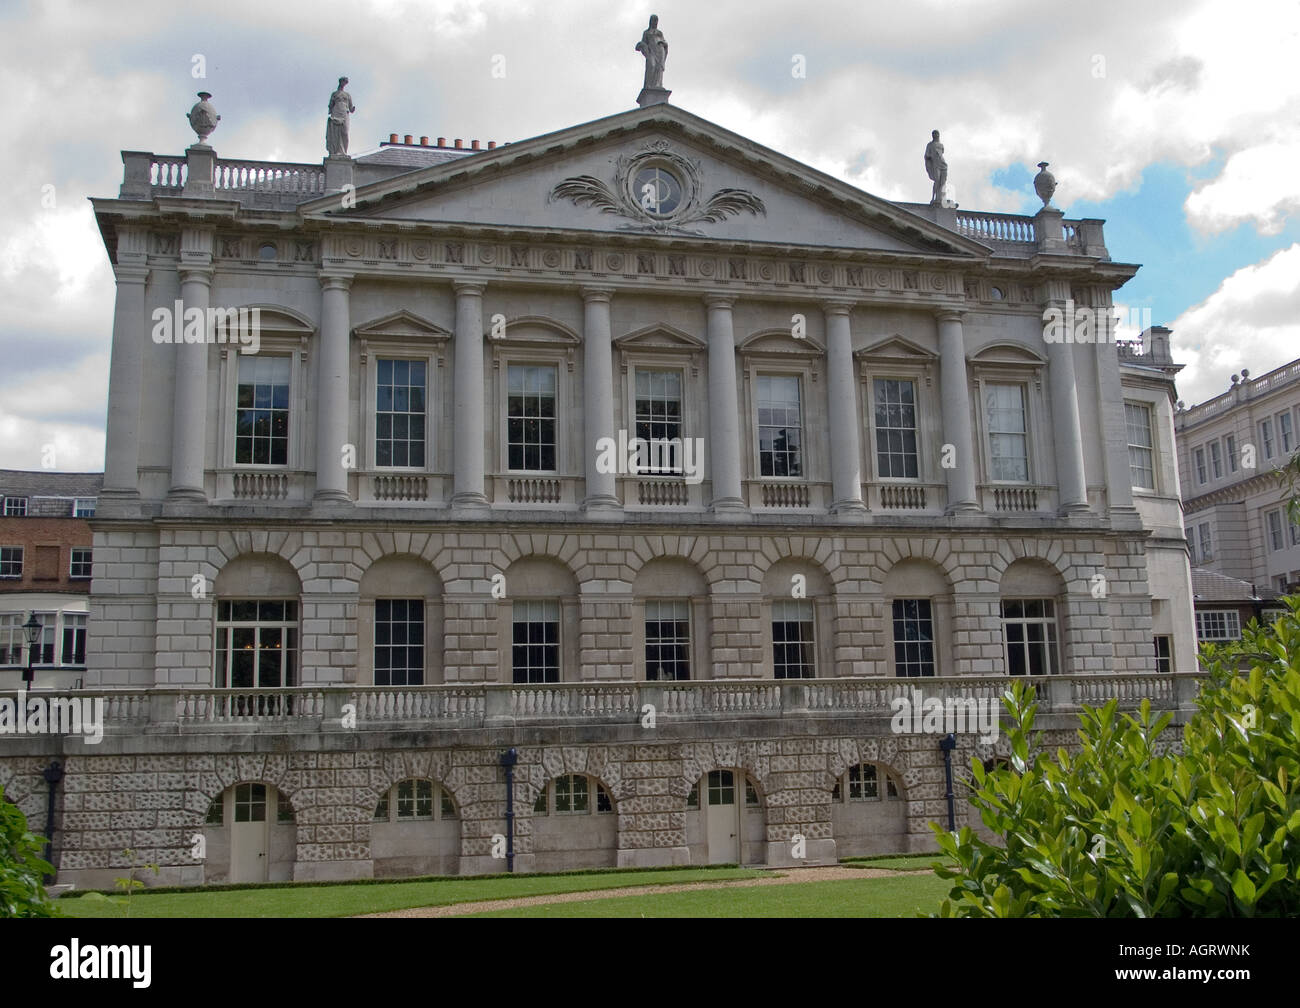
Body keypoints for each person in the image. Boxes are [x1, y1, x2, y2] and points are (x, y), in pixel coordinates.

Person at [636, 15, 668, 90]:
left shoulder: (659, 33)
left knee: (659, 67)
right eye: (654, 21)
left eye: (656, 21)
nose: (655, 23)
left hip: (660, 51)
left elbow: (664, 41)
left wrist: (663, 44)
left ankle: (658, 84)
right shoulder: (646, 32)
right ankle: (649, 84)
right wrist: (642, 46)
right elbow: (644, 42)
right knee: (652, 65)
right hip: (651, 51)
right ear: (651, 22)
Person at [327, 77, 355, 157]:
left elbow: (350, 107)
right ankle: (336, 151)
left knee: (345, 132)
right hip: (336, 112)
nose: (344, 84)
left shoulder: (347, 95)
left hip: (344, 113)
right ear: (340, 82)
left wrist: (352, 109)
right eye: (344, 82)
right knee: (336, 132)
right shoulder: (334, 94)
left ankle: (343, 151)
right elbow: (331, 105)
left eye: (346, 82)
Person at [924, 130, 947, 206]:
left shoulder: (941, 145)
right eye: (934, 134)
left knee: (943, 182)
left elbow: (942, 153)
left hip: (943, 164)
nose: (935, 135)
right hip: (935, 164)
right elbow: (926, 155)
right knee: (937, 181)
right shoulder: (930, 145)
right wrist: (932, 156)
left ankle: (941, 198)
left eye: (936, 134)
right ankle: (934, 198)